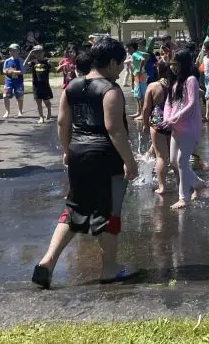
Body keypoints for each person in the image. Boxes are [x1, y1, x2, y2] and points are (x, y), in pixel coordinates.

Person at [32, 37, 139, 289]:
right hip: (106, 156)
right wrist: (130, 161)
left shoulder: (71, 87)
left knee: (74, 209)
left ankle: (47, 261)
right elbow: (114, 129)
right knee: (109, 213)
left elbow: (62, 123)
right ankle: (110, 269)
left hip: (79, 152)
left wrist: (67, 150)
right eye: (121, 63)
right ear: (111, 62)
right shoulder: (111, 90)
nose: (122, 68)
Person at [161, 49, 206, 209]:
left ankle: (184, 198)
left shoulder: (191, 80)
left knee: (181, 162)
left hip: (188, 127)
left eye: (176, 64)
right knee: (173, 161)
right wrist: (167, 119)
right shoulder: (175, 81)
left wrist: (173, 119)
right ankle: (197, 183)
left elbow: (192, 104)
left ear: (184, 64)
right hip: (175, 127)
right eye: (172, 64)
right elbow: (168, 103)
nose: (173, 67)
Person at [141, 60, 174, 195]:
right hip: (173, 121)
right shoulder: (175, 85)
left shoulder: (153, 86)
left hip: (158, 122)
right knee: (172, 156)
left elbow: (146, 108)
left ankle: (162, 187)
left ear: (158, 71)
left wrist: (144, 124)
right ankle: (180, 183)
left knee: (161, 157)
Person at [27, 45, 53, 124]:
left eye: (40, 52)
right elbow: (24, 64)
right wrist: (30, 53)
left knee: (47, 102)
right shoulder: (33, 62)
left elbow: (54, 70)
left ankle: (49, 111)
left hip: (45, 85)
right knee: (39, 103)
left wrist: (51, 64)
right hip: (36, 86)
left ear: (43, 53)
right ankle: (41, 117)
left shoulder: (46, 61)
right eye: (36, 52)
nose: (38, 54)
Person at [2, 44, 28, 118]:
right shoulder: (7, 61)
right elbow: (4, 71)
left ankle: (20, 111)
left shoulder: (21, 60)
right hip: (8, 81)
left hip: (18, 82)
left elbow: (23, 71)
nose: (11, 52)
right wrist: (7, 71)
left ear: (18, 51)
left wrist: (13, 71)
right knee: (4, 95)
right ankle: (7, 111)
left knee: (20, 97)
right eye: (10, 51)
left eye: (13, 51)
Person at [127, 40, 149, 120]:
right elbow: (147, 55)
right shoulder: (138, 52)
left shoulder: (135, 54)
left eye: (128, 48)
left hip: (139, 75)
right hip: (139, 75)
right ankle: (138, 112)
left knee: (140, 96)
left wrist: (140, 69)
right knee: (137, 95)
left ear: (132, 48)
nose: (127, 50)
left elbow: (142, 59)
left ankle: (142, 114)